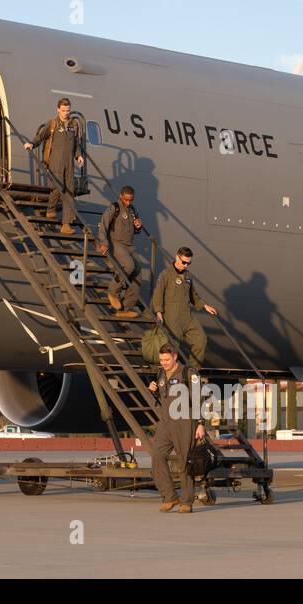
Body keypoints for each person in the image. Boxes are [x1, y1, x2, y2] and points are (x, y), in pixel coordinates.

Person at [149, 343, 206, 513]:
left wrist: (200, 423)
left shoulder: (188, 373)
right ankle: (170, 496)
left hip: (185, 422)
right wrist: (154, 391)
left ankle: (187, 501)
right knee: (157, 457)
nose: (164, 363)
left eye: (166, 359)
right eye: (161, 360)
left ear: (175, 357)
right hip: (166, 422)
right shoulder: (160, 374)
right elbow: (164, 396)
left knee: (184, 462)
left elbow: (198, 398)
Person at [24, 98, 84, 235]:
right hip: (55, 161)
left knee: (69, 191)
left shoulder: (73, 125)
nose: (65, 113)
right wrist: (32, 144)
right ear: (58, 109)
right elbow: (40, 136)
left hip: (69, 162)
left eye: (68, 111)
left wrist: (79, 155)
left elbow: (76, 144)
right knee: (58, 187)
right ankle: (51, 209)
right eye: (63, 111)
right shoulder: (52, 124)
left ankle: (66, 224)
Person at [150, 246, 217, 367]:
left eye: (188, 263)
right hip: (171, 316)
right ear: (177, 257)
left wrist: (205, 306)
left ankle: (192, 370)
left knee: (200, 339)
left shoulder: (188, 276)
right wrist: (159, 312)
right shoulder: (166, 274)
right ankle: (171, 375)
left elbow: (193, 296)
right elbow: (158, 294)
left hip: (187, 316)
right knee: (173, 346)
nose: (186, 265)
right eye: (184, 262)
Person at [97, 185, 143, 319]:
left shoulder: (133, 210)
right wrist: (104, 243)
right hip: (116, 243)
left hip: (129, 245)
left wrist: (138, 227)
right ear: (121, 196)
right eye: (126, 200)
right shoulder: (114, 208)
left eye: (131, 200)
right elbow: (103, 225)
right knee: (129, 265)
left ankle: (124, 308)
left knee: (138, 275)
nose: (128, 203)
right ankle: (112, 291)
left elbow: (135, 231)